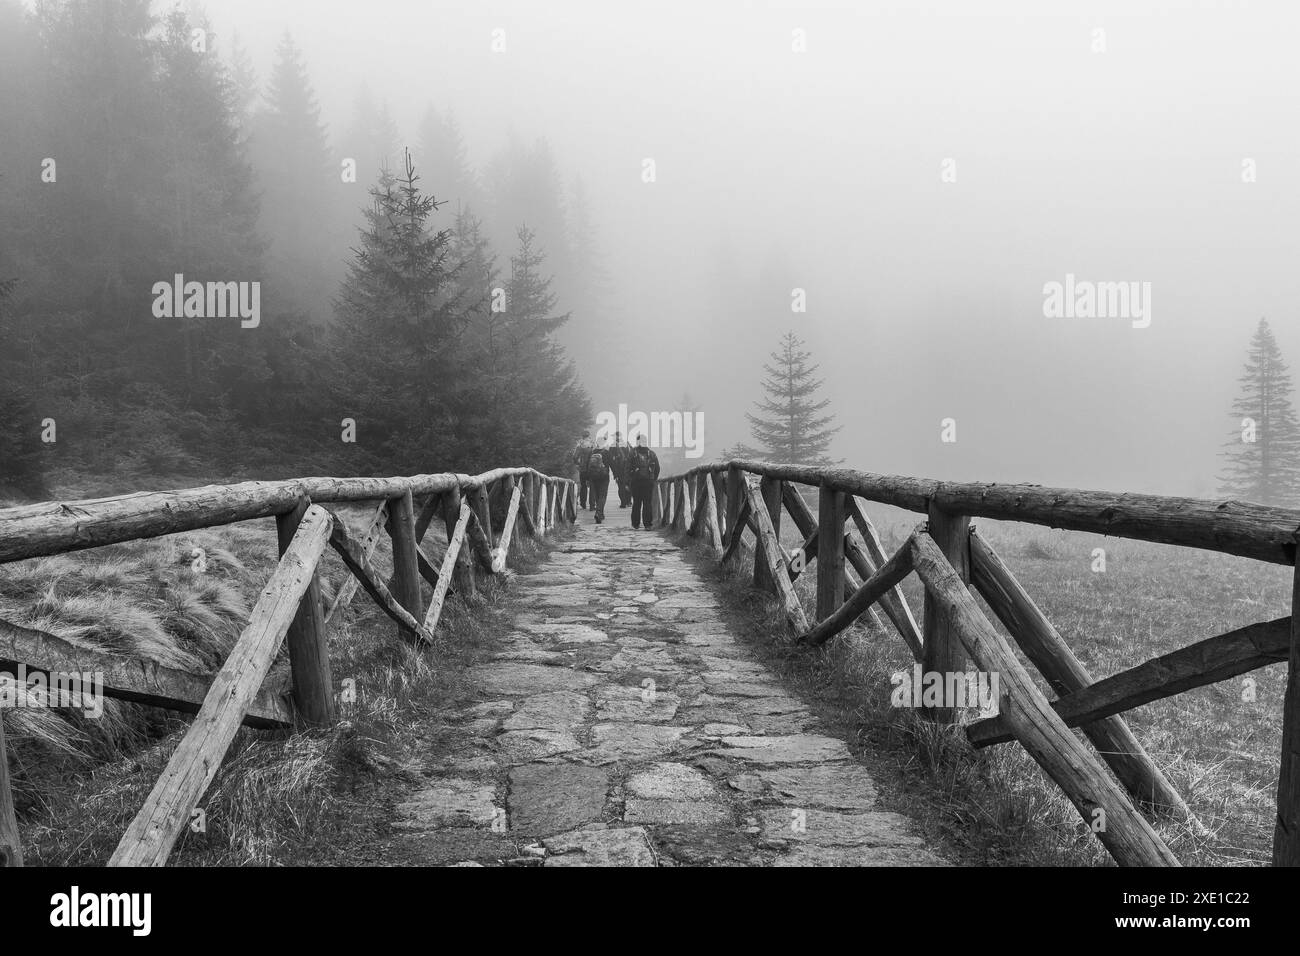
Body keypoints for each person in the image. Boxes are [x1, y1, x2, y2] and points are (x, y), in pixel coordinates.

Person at [627, 433, 660, 530]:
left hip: (636, 482)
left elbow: (627, 468)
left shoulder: (632, 453)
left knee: (637, 502)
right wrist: (653, 479)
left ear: (637, 442)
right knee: (647, 503)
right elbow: (657, 468)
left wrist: (628, 481)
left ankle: (635, 524)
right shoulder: (651, 453)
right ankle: (647, 524)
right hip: (648, 482)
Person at [585, 438, 614, 524]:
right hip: (604, 477)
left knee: (597, 495)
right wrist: (616, 475)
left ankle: (600, 513)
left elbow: (588, 465)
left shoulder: (592, 452)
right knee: (603, 495)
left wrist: (587, 478)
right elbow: (612, 464)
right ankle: (599, 512)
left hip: (593, 477)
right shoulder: (607, 452)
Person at [572, 430, 595, 510]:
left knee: (583, 486)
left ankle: (583, 504)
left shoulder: (580, 445)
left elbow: (575, 457)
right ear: (589, 436)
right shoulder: (593, 444)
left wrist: (578, 464)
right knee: (592, 486)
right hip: (592, 468)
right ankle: (592, 505)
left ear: (582, 436)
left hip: (583, 469)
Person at [609, 431, 631, 508]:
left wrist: (614, 473)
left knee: (621, 486)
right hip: (627, 469)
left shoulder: (612, 446)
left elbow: (611, 460)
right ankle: (629, 501)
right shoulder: (626, 444)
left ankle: (623, 503)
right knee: (627, 484)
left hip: (619, 469)